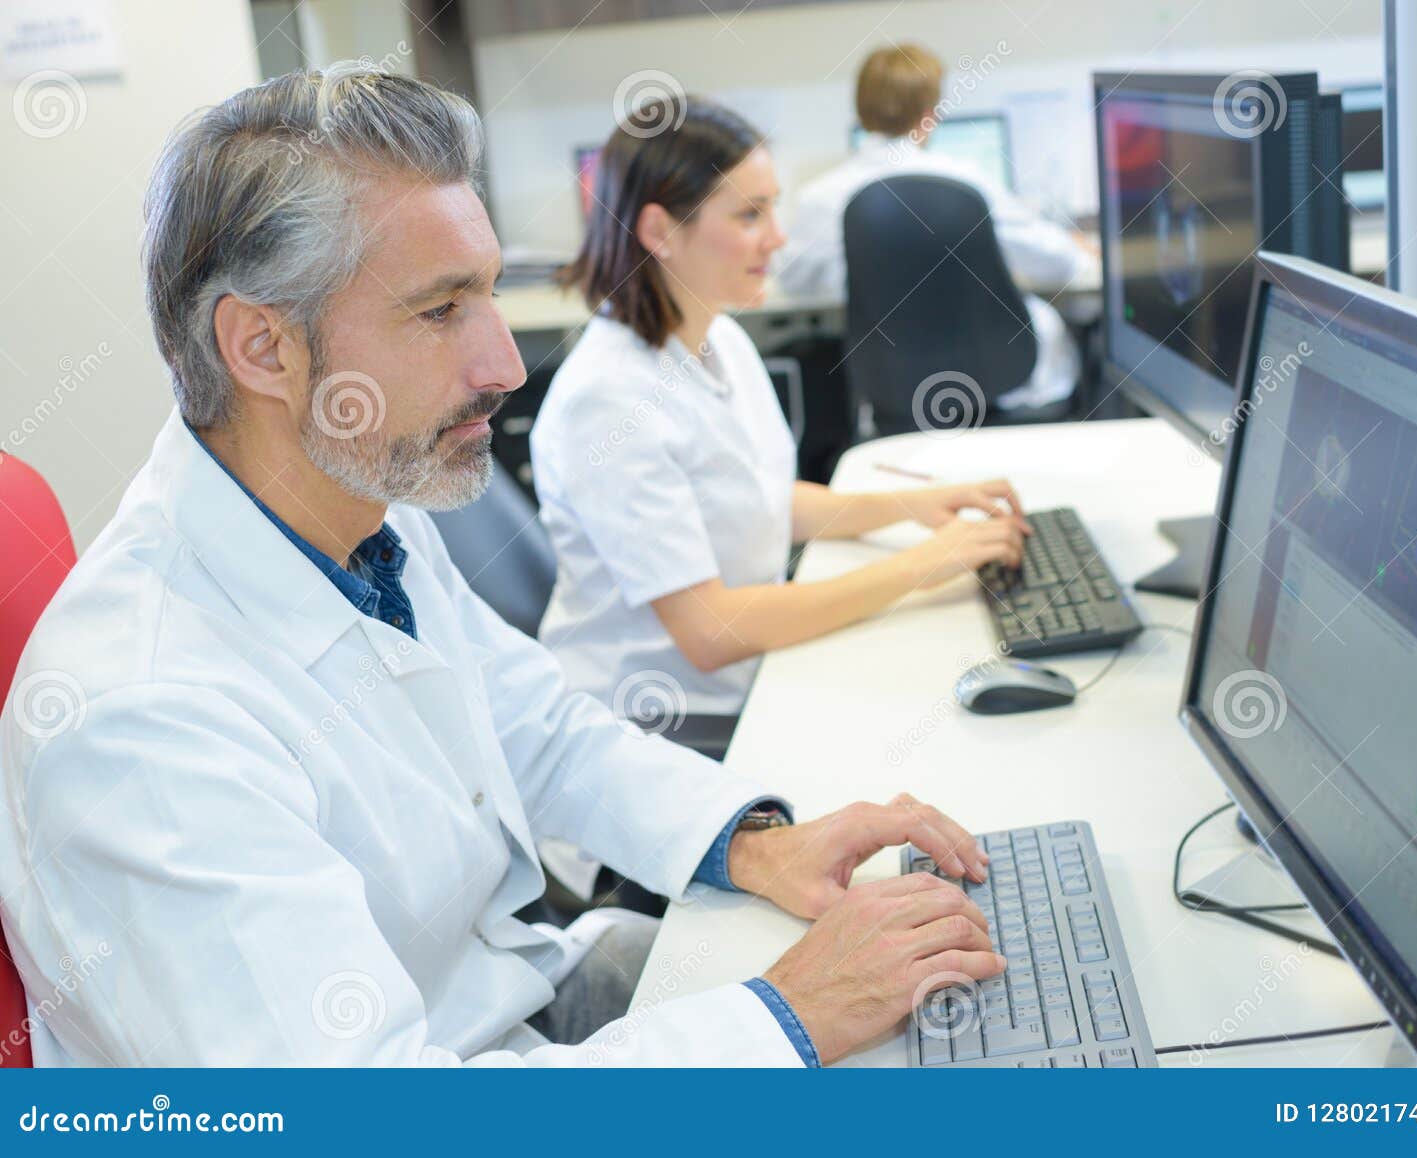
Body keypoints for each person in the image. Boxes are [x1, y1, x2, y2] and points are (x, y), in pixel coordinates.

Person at [0, 65, 1005, 1067]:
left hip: (524, 1014)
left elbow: (539, 730)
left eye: (487, 293)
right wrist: (783, 1018)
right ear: (263, 348)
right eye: (440, 312)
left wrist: (747, 844)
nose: (505, 366)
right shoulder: (141, 725)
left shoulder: (354, 511)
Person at [534, 96, 1028, 734]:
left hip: (744, 675)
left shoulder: (718, 337)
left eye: (772, 206)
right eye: (749, 214)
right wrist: (920, 566)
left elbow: (756, 500)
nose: (778, 236)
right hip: (666, 722)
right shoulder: (607, 402)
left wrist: (915, 506)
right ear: (659, 232)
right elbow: (711, 632)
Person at [779, 42, 1097, 411]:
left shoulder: (822, 196)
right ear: (929, 114)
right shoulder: (968, 181)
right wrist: (1075, 247)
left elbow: (792, 282)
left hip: (890, 386)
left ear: (862, 109)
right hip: (1000, 380)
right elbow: (1058, 263)